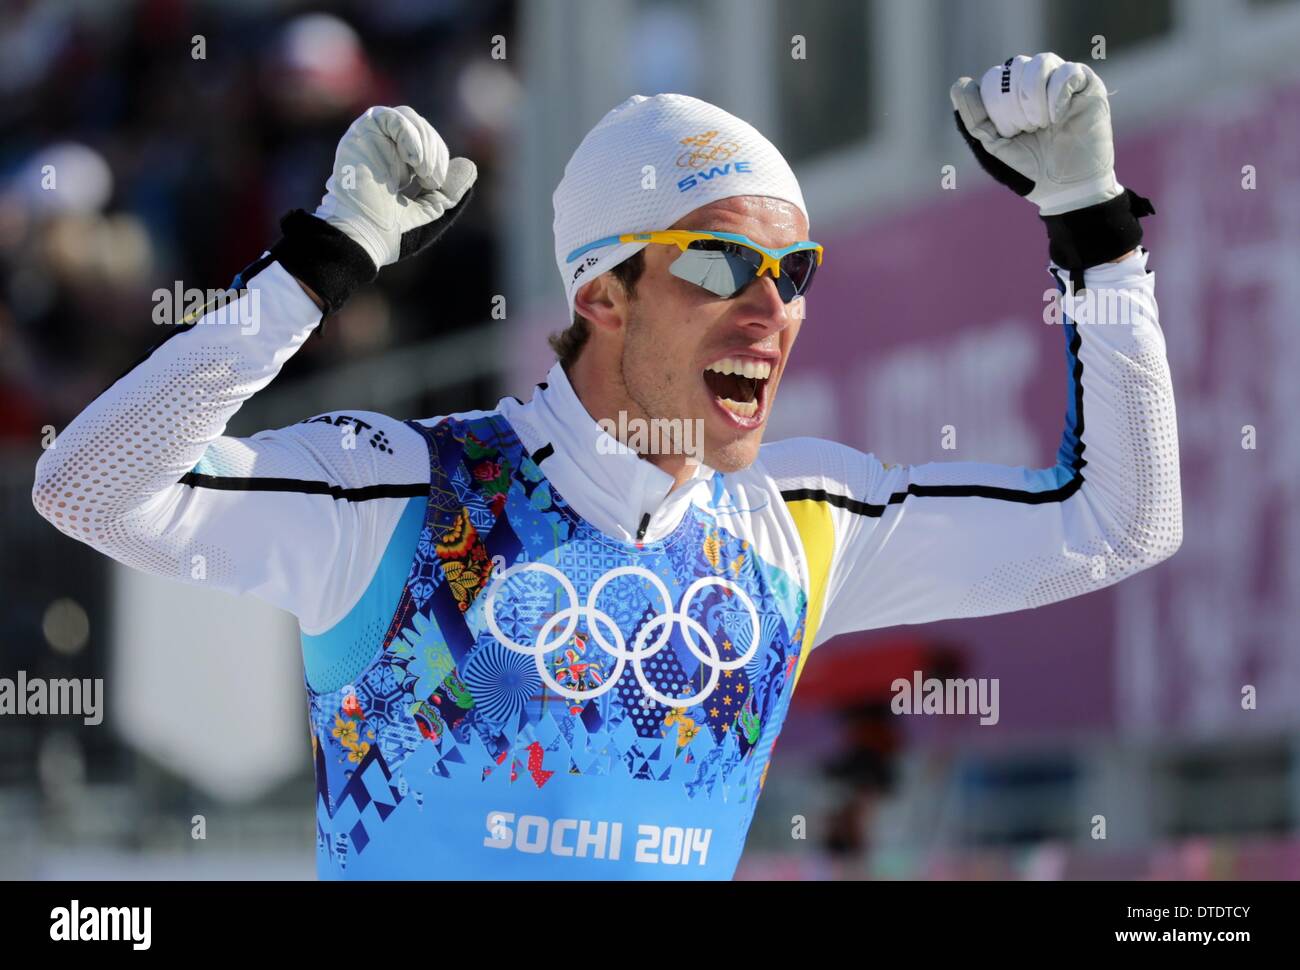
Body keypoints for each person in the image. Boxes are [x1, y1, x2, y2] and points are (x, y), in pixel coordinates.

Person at [32, 53, 1181, 879]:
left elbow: (1121, 524)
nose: (771, 307)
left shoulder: (798, 525)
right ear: (603, 295)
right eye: (726, 264)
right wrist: (314, 270)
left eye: (796, 270)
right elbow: (87, 487)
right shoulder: (399, 496)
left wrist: (1094, 231)